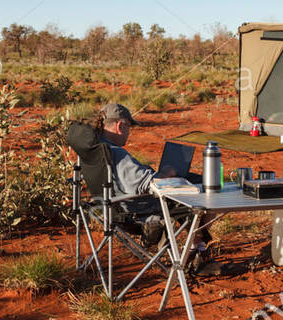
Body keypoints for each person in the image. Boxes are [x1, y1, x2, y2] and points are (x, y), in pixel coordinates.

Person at [93, 102, 218, 273]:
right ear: (120, 126)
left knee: (196, 182)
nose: (129, 133)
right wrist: (165, 174)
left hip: (115, 205)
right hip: (137, 209)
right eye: (129, 127)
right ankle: (197, 249)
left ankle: (198, 247)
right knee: (203, 195)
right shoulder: (117, 153)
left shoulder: (95, 148)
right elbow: (145, 184)